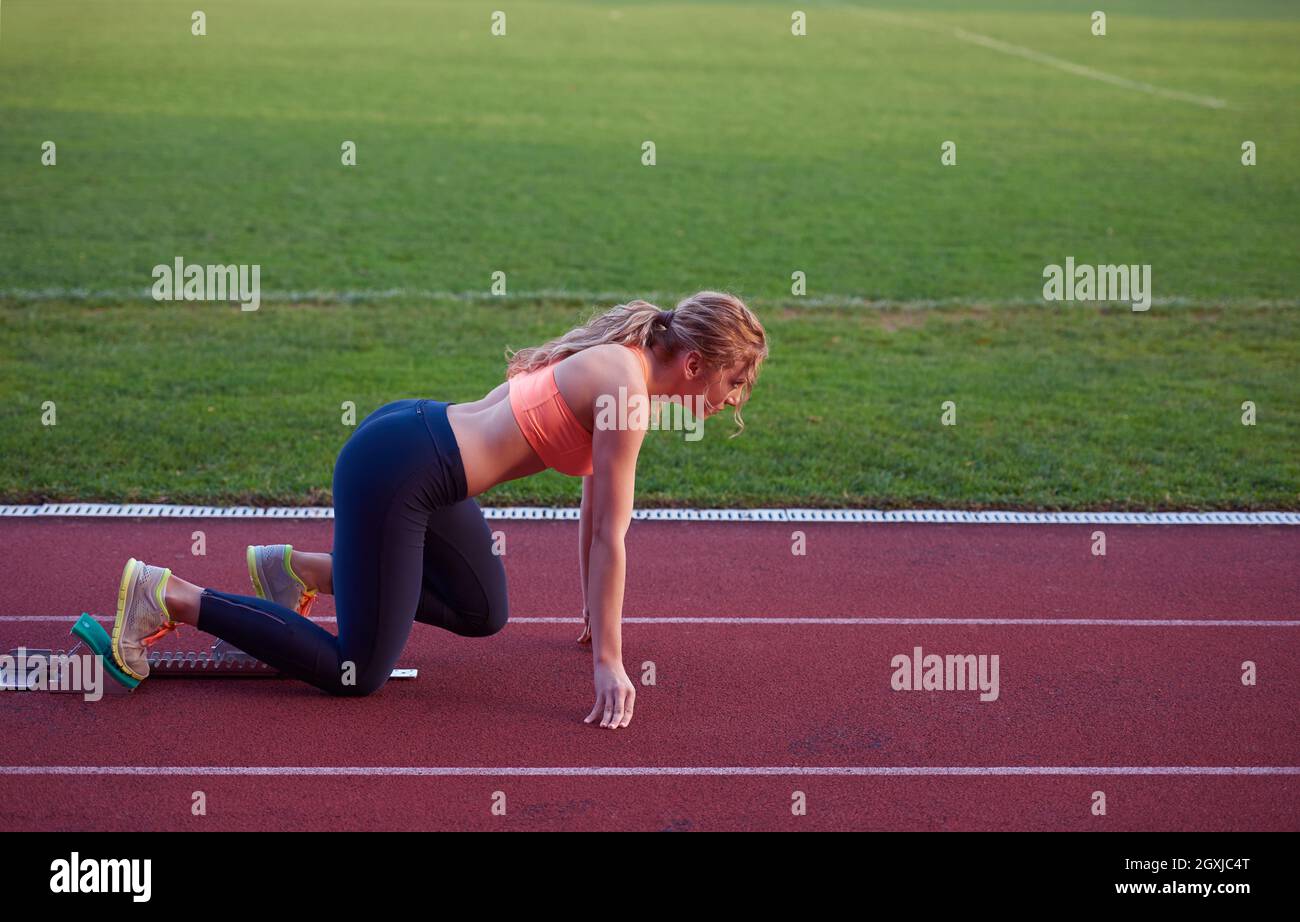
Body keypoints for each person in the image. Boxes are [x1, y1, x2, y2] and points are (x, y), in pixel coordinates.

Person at [110, 291, 767, 729]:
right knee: (357, 673)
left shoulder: (624, 371)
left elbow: (595, 509)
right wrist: (609, 662)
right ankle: (167, 595)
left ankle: (303, 573)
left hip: (422, 449)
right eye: (734, 382)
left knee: (484, 611)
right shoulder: (624, 388)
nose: (734, 400)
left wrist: (598, 619)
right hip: (402, 470)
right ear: (694, 361)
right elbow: (607, 537)